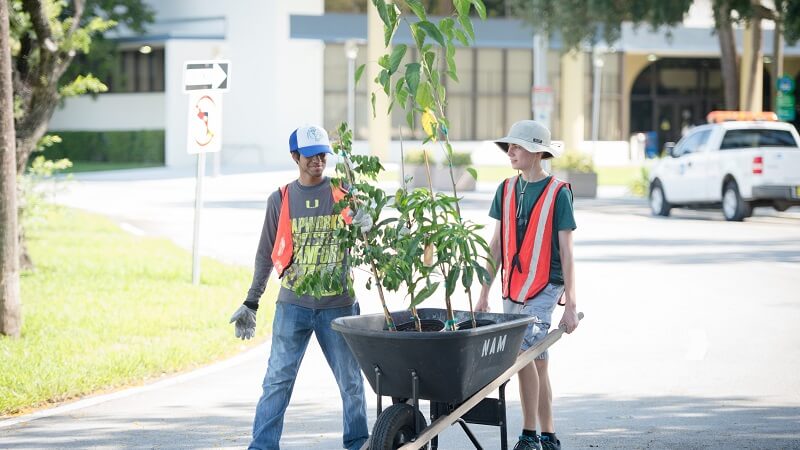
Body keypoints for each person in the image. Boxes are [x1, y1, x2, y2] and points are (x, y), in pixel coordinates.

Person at [229, 124, 371, 450]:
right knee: (276, 381)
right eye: (310, 156)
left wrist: (368, 221)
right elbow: (266, 253)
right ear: (295, 157)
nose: (318, 161)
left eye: (322, 154)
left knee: (351, 382)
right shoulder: (280, 199)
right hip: (292, 305)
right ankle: (262, 447)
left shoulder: (343, 193)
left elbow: (368, 242)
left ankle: (358, 445)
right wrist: (252, 301)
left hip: (339, 305)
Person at [476, 120, 580, 450]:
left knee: (522, 355)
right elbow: (495, 244)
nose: (510, 151)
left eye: (517, 146)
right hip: (512, 287)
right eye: (510, 146)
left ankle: (529, 434)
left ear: (536, 152)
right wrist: (483, 292)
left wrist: (572, 305)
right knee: (538, 361)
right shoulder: (505, 190)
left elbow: (567, 251)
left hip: (545, 288)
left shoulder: (558, 193)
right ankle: (548, 435)